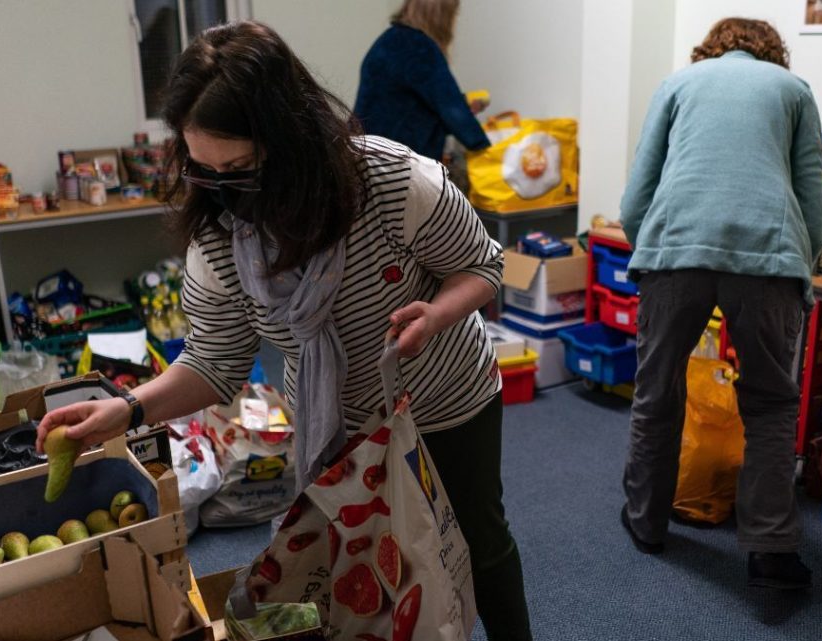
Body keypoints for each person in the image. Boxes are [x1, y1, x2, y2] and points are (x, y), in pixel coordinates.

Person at [35, 21, 533, 641]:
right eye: (203, 169)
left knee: (477, 543)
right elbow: (214, 365)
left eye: (240, 167)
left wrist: (436, 314)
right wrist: (127, 410)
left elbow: (483, 266)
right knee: (373, 569)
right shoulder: (218, 242)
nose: (224, 191)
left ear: (292, 139)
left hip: (443, 399)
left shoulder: (393, 182)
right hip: (336, 424)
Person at [617, 18, 822, 590]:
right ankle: (770, 549)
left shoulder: (678, 84)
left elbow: (639, 190)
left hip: (674, 250)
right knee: (769, 403)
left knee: (657, 392)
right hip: (768, 254)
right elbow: (812, 199)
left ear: (711, 48)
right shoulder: (793, 91)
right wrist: (799, 264)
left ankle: (646, 523)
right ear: (772, 53)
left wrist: (650, 245)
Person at [354, 0, 490, 162]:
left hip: (368, 155)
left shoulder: (388, 41)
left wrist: (464, 104)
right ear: (441, 15)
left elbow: (414, 104)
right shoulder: (420, 47)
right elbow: (451, 108)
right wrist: (485, 148)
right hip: (399, 161)